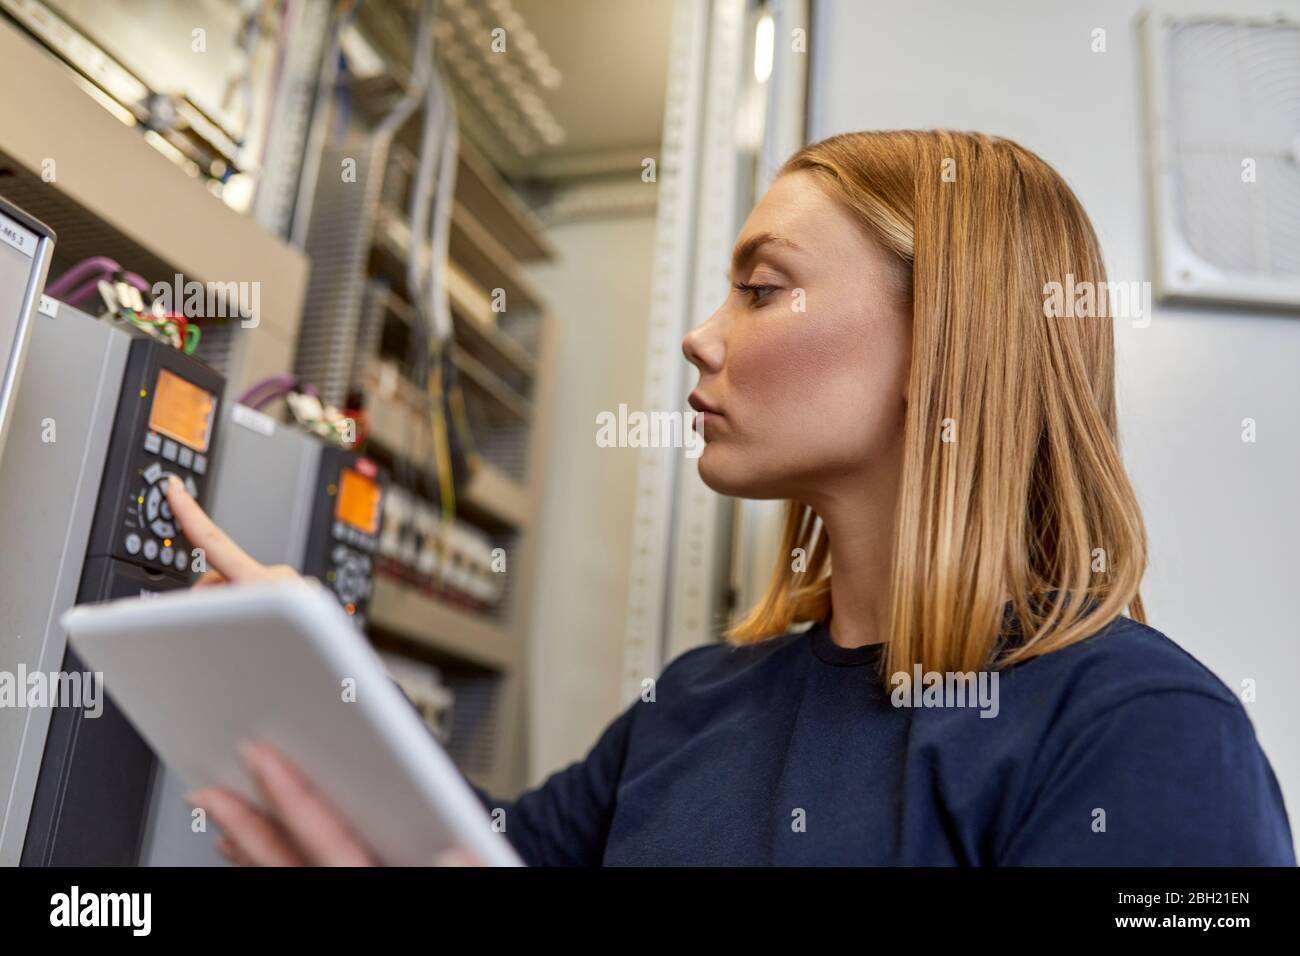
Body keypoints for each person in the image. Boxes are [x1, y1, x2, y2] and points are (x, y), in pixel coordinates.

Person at [174, 130, 1295, 866]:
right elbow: (461, 850)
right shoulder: (696, 702)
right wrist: (320, 683)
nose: (699, 335)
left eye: (764, 288)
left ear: (944, 340)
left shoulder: (1140, 730)